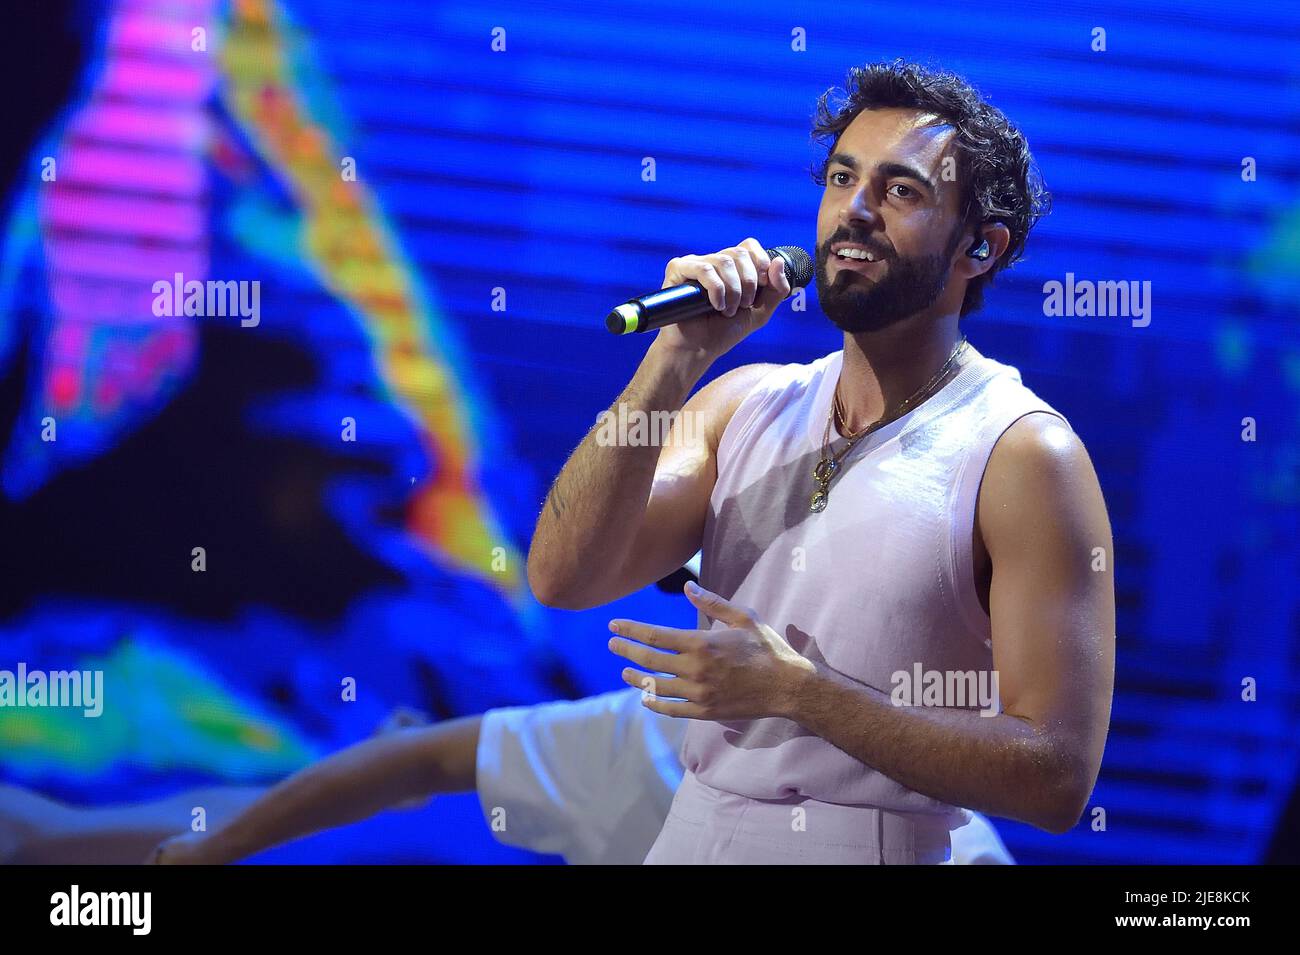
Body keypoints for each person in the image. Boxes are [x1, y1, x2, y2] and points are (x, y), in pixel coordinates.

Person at [526, 60, 1116, 864]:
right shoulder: (742, 401)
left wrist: (801, 694)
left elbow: (1056, 775)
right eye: (842, 179)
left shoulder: (1022, 451)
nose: (856, 211)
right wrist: (673, 358)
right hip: (691, 831)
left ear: (980, 247)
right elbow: (562, 575)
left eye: (902, 190)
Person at [2, 688, 1013, 864]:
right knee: (50, 841)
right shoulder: (657, 752)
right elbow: (432, 761)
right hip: (409, 819)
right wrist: (218, 849)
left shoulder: (950, 839)